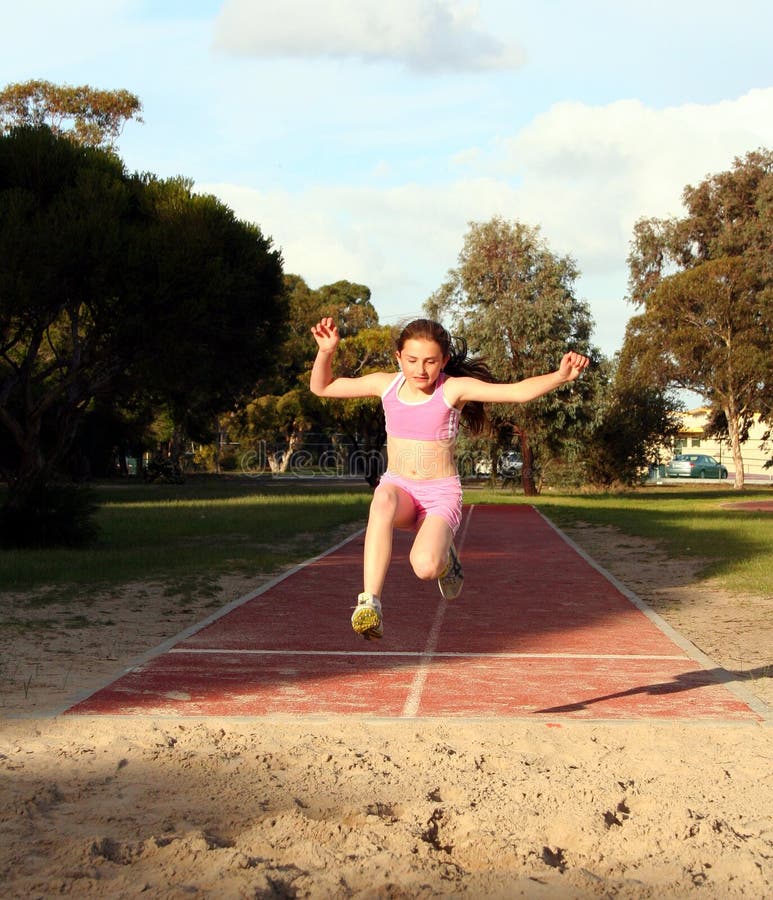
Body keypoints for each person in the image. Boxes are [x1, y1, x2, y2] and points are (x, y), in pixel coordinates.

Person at [310, 316, 589, 640]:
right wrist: (326, 352)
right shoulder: (386, 384)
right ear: (398, 357)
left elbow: (516, 393)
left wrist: (560, 376)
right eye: (412, 360)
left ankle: (444, 560)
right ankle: (370, 602)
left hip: (439, 496)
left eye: (430, 361)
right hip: (400, 489)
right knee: (382, 497)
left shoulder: (452, 389)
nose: (420, 369)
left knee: (425, 566)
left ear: (443, 361)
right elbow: (322, 387)